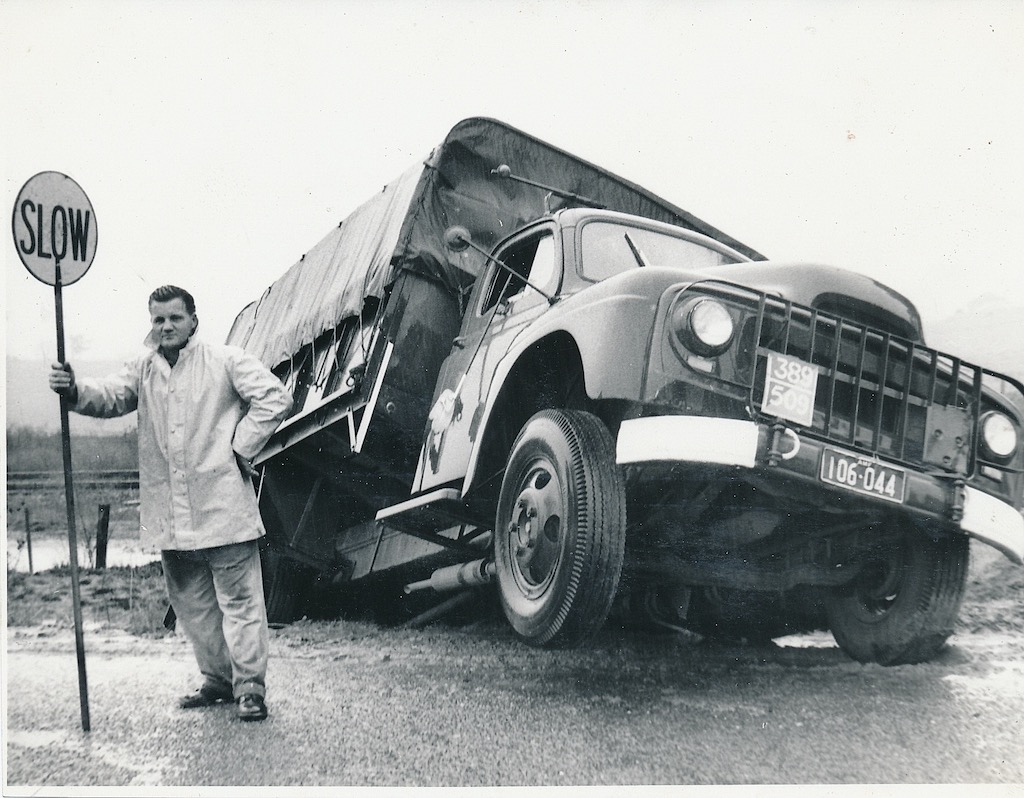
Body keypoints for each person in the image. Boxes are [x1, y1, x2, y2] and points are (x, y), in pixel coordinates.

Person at [48, 285, 292, 721]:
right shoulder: (144, 368)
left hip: (222, 506)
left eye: (174, 318)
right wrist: (73, 389)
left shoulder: (224, 360)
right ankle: (218, 680)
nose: (165, 327)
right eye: (158, 319)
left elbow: (275, 398)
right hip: (171, 515)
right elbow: (109, 395)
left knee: (240, 602)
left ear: (193, 320)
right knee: (192, 603)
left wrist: (239, 447)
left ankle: (250, 687)